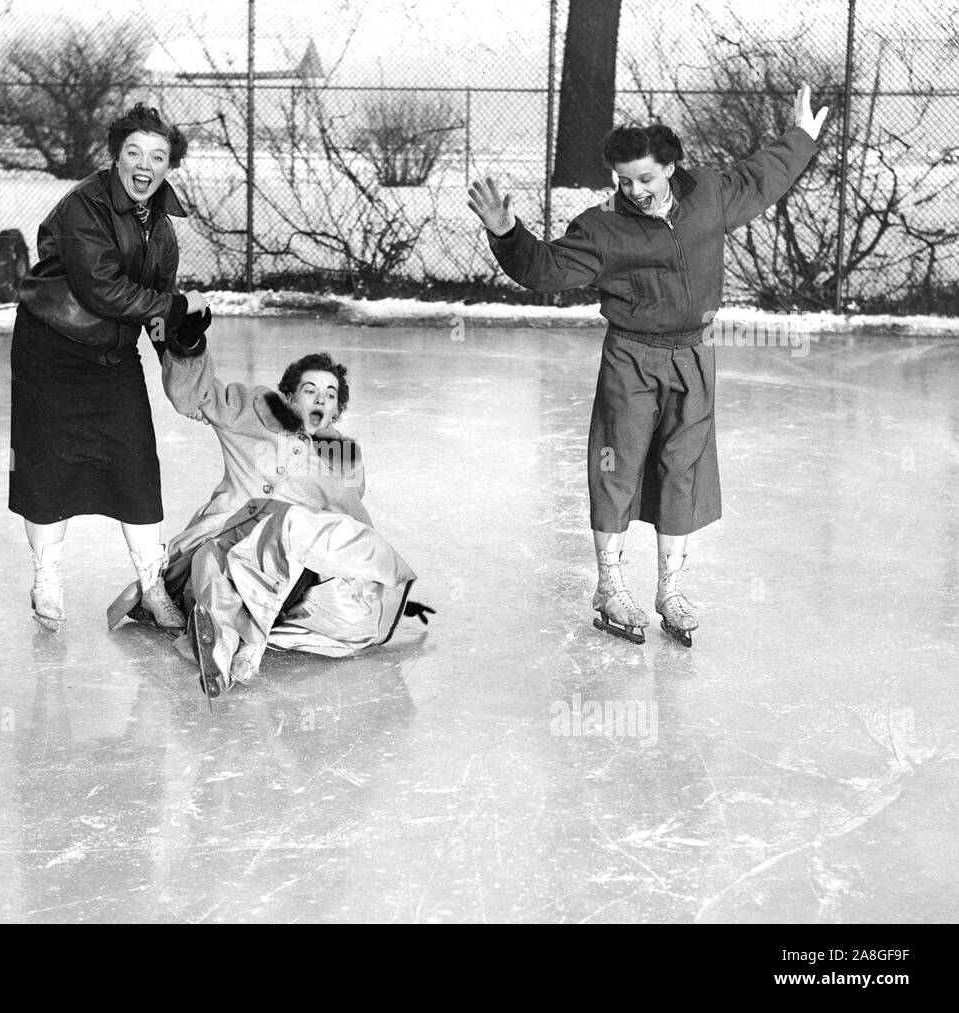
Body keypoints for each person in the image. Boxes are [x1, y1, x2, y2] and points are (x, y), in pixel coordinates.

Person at [468, 85, 828, 647]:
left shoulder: (707, 194)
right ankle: (609, 586)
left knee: (682, 467)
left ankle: (670, 588)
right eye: (623, 179)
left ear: (671, 166)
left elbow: (762, 178)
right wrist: (505, 233)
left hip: (693, 355)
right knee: (617, 466)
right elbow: (543, 268)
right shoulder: (602, 226)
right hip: (631, 359)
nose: (634, 190)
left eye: (646, 178)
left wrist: (802, 138)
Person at [106, 311, 432, 702]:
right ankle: (218, 651)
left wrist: (378, 589)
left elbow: (350, 524)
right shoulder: (253, 412)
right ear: (290, 396)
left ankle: (243, 639)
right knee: (211, 561)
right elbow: (197, 395)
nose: (320, 399)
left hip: (292, 571)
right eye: (310, 389)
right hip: (227, 544)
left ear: (337, 410)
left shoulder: (340, 457)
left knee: (297, 525)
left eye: (330, 395)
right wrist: (188, 346)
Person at [9, 103, 208, 632]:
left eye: (158, 156)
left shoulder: (163, 230)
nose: (145, 164)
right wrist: (171, 308)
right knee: (48, 471)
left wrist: (183, 352)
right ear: (117, 157)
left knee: (136, 466)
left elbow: (156, 306)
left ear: (170, 166)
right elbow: (103, 289)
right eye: (134, 152)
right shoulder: (84, 206)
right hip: (51, 350)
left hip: (110, 355)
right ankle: (46, 580)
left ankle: (152, 588)